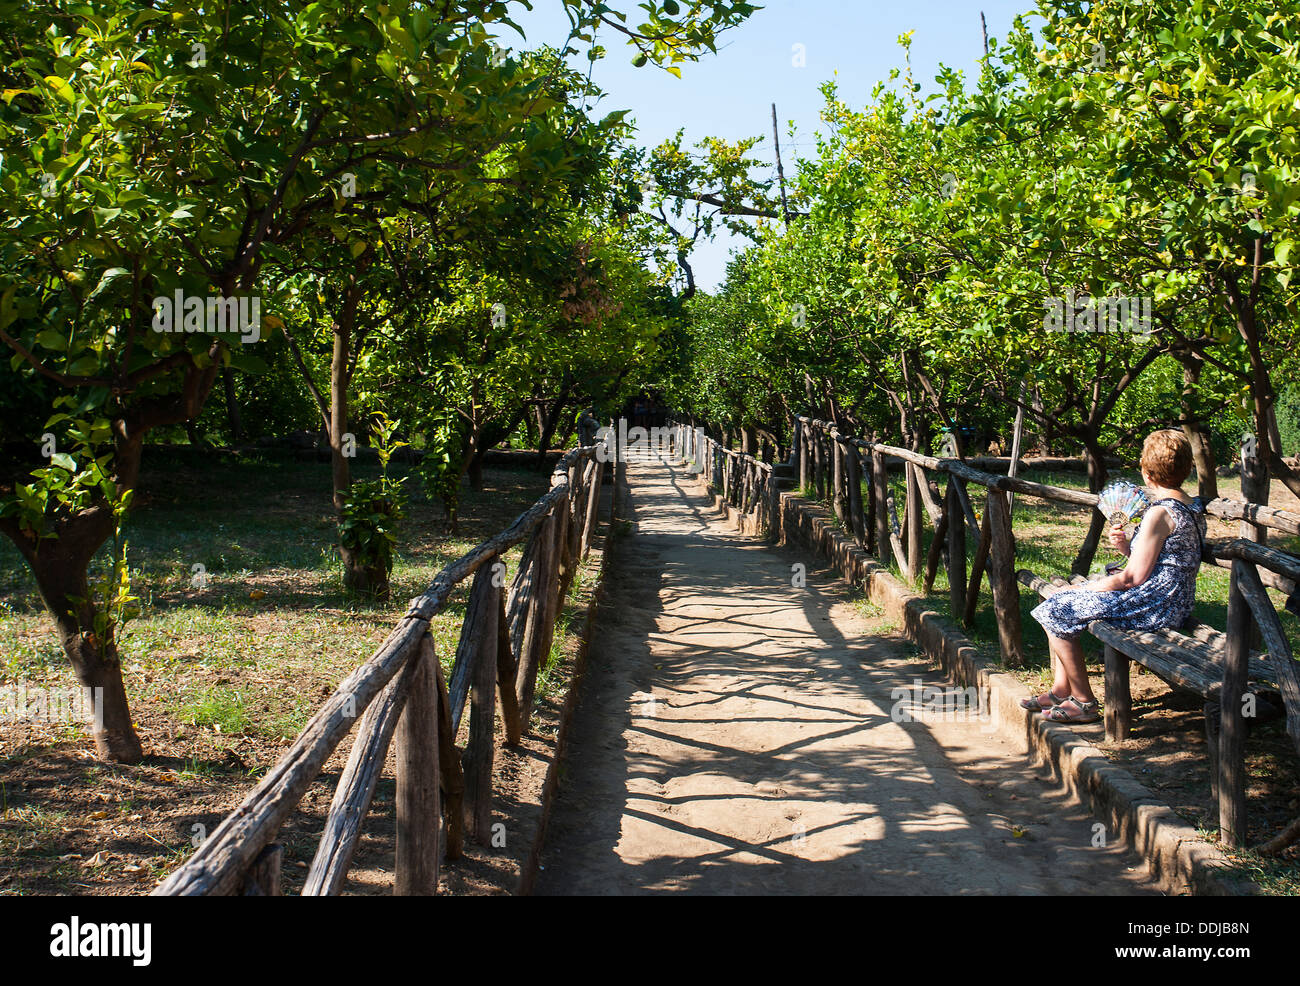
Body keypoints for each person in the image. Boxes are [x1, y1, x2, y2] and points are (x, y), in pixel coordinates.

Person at [1021, 430, 1207, 723]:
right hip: (1173, 598)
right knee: (1059, 604)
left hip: (1157, 604)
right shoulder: (1190, 506)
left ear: (1146, 472)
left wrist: (1093, 587)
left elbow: (1131, 578)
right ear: (1186, 469)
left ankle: (1084, 702)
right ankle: (1060, 690)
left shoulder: (1160, 512)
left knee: (1055, 610)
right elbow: (1162, 556)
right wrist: (1126, 545)